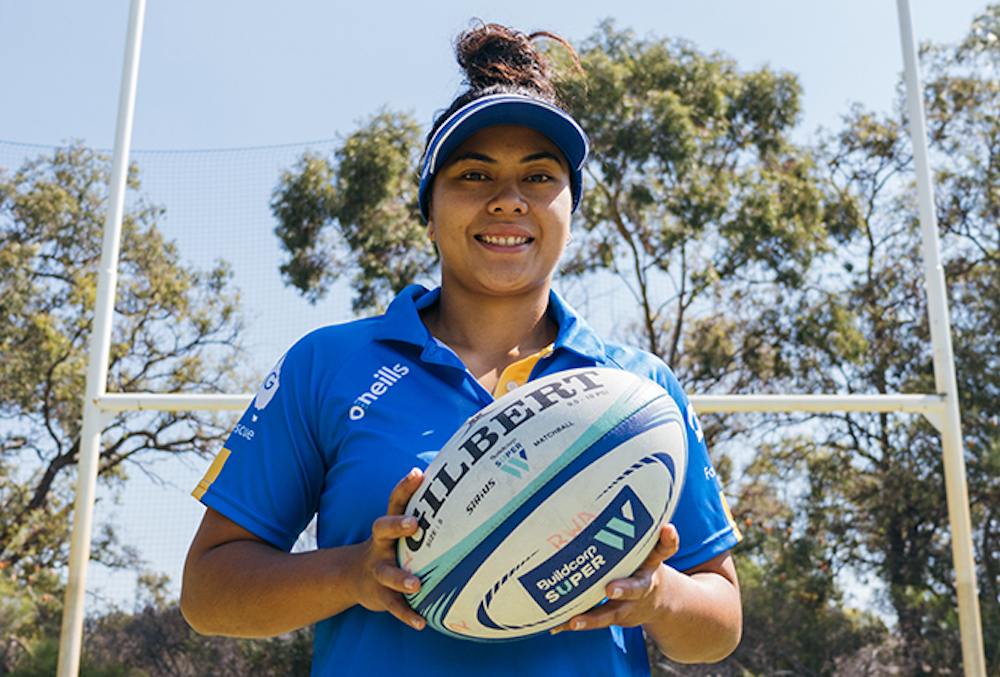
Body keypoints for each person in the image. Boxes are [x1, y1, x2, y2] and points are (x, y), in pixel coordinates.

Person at [180, 23, 742, 677]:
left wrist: (658, 595)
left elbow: (721, 620)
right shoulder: (327, 364)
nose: (509, 199)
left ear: (569, 206)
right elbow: (208, 594)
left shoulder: (638, 390)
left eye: (539, 176)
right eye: (475, 175)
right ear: (430, 206)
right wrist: (355, 573)